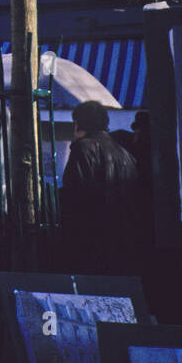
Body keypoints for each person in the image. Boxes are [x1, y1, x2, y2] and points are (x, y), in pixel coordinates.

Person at [59, 100, 141, 276]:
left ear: (78, 124)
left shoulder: (83, 148)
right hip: (123, 239)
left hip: (94, 239)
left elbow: (75, 197)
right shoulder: (124, 152)